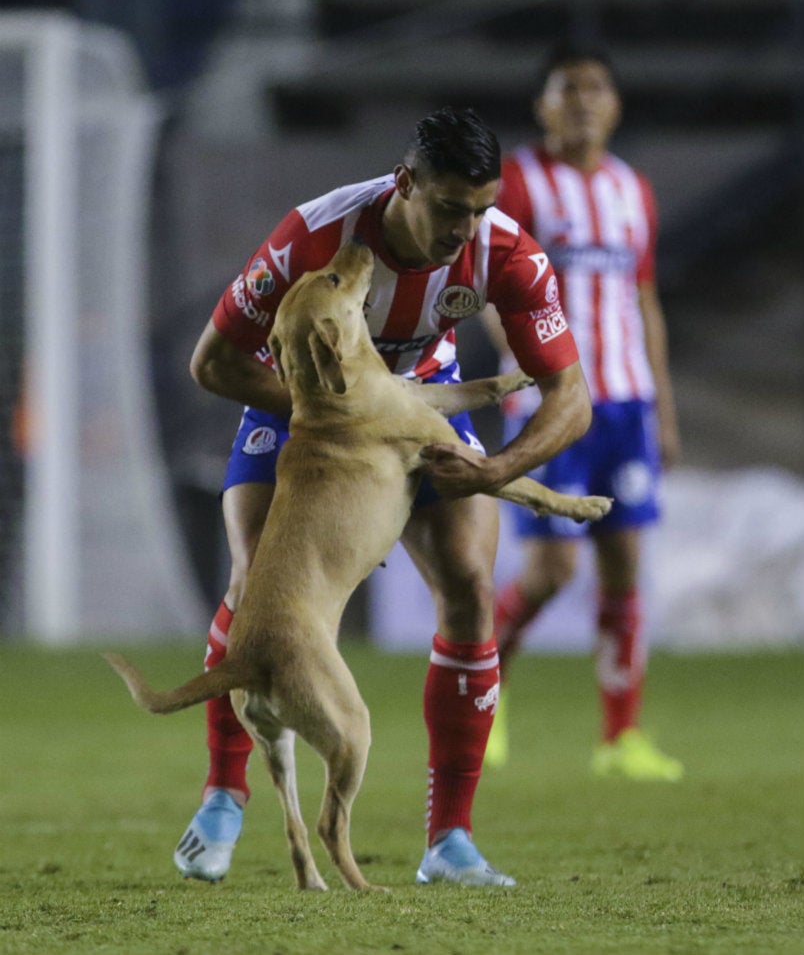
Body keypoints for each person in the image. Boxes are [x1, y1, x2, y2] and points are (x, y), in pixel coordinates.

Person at [177, 106, 592, 887]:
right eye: (447, 208)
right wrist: (333, 414)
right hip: (297, 400)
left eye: (478, 209)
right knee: (251, 576)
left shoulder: (504, 251)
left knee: (470, 577)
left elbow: (570, 396)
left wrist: (502, 467)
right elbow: (213, 362)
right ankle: (223, 797)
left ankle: (450, 840)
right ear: (405, 183)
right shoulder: (315, 234)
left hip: (417, 401)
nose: (463, 228)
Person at [483, 44, 684, 781]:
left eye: (596, 89)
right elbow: (495, 289)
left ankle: (620, 736)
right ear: (542, 105)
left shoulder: (634, 189)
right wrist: (523, 379)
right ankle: (486, 693)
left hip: (626, 399)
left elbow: (644, 299)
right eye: (567, 90)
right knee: (552, 567)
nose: (582, 102)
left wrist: (663, 407)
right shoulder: (520, 182)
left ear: (616, 106)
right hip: (550, 401)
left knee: (625, 564)